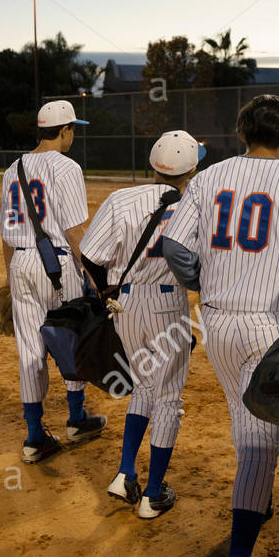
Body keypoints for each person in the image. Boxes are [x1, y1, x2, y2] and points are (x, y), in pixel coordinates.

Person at [161, 95, 279, 557]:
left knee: (246, 420)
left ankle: (253, 501)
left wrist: (203, 281)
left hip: (215, 321)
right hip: (271, 325)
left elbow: (175, 247)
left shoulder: (209, 178)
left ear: (244, 133)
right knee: (262, 442)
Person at [79, 130, 205, 519]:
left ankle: (125, 473)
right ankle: (152, 494)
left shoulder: (121, 198)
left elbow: (91, 256)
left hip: (125, 303)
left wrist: (105, 294)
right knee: (167, 399)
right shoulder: (196, 203)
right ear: (193, 168)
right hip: (168, 303)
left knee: (143, 385)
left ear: (153, 165)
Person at [0, 100, 107, 465]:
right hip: (57, 264)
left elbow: (4, 234)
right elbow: (75, 231)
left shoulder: (13, 168)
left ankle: (34, 437)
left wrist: (9, 278)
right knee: (74, 340)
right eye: (72, 129)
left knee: (31, 350)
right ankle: (76, 419)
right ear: (63, 131)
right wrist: (98, 278)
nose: (73, 135)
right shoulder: (67, 167)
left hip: (20, 262)